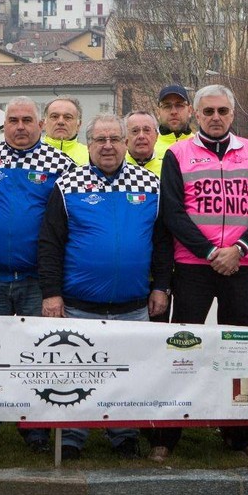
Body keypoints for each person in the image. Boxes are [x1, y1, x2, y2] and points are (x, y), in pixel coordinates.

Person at [149, 85, 248, 462]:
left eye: (222, 111)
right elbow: (172, 213)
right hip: (192, 268)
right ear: (195, 115)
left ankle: (237, 435)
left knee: (239, 354)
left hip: (239, 267)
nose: (215, 117)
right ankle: (168, 437)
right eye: (208, 112)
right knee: (181, 351)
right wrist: (208, 252)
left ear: (233, 115)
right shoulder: (177, 153)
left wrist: (237, 250)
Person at [37, 114, 171, 460]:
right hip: (80, 303)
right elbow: (50, 244)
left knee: (127, 372)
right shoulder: (68, 185)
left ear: (126, 143)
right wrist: (51, 293)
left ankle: (123, 434)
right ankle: (71, 435)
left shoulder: (151, 184)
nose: (108, 146)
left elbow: (163, 242)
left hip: (133, 305)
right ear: (89, 144)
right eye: (100, 140)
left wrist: (162, 287)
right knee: (74, 372)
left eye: (115, 139)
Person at [0, 97, 71, 453]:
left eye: (28, 119)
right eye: (13, 119)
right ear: (4, 123)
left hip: (36, 280)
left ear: (40, 124)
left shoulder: (60, 164)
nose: (20, 126)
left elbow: (68, 226)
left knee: (36, 356)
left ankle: (36, 426)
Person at [42, 96, 89, 165]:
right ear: (44, 122)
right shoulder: (31, 152)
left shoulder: (90, 156)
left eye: (68, 117)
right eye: (54, 116)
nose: (61, 122)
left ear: (79, 125)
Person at [154, 84, 194, 161]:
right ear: (158, 112)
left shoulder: (200, 146)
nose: (173, 112)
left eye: (179, 105)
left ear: (190, 110)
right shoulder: (148, 148)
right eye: (167, 106)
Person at [124, 110, 163, 175]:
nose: (141, 136)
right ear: (125, 136)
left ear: (156, 136)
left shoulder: (166, 168)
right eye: (135, 131)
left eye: (147, 130)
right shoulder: (117, 168)